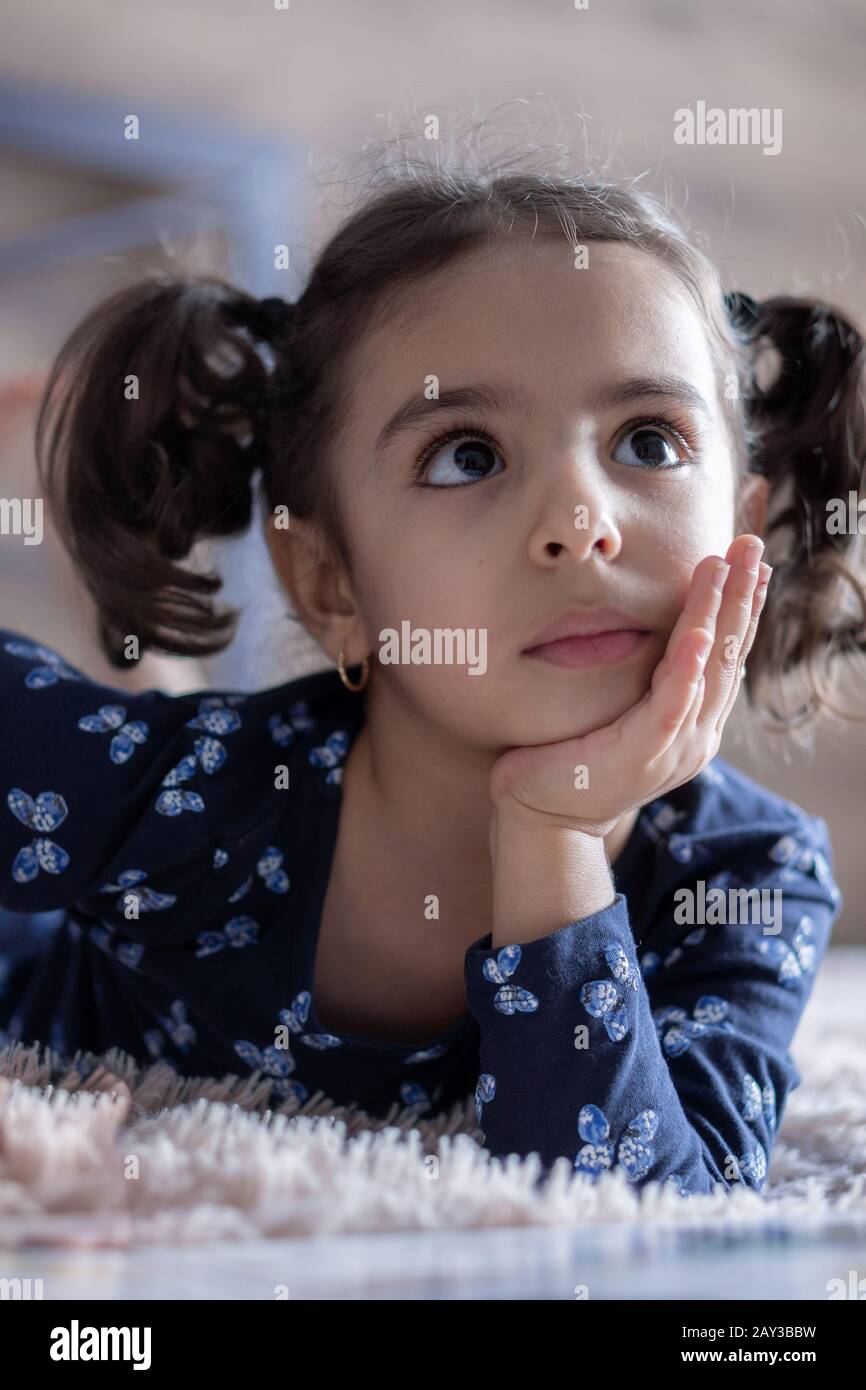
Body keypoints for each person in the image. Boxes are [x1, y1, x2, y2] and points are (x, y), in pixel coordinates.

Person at [2, 161, 862, 1195]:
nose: (577, 522)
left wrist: (555, 837)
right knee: (149, 749)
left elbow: (641, 1212)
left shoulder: (743, 876)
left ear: (737, 532)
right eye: (466, 455)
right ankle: (132, 644)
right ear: (330, 585)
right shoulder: (203, 796)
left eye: (646, 440)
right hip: (84, 903)